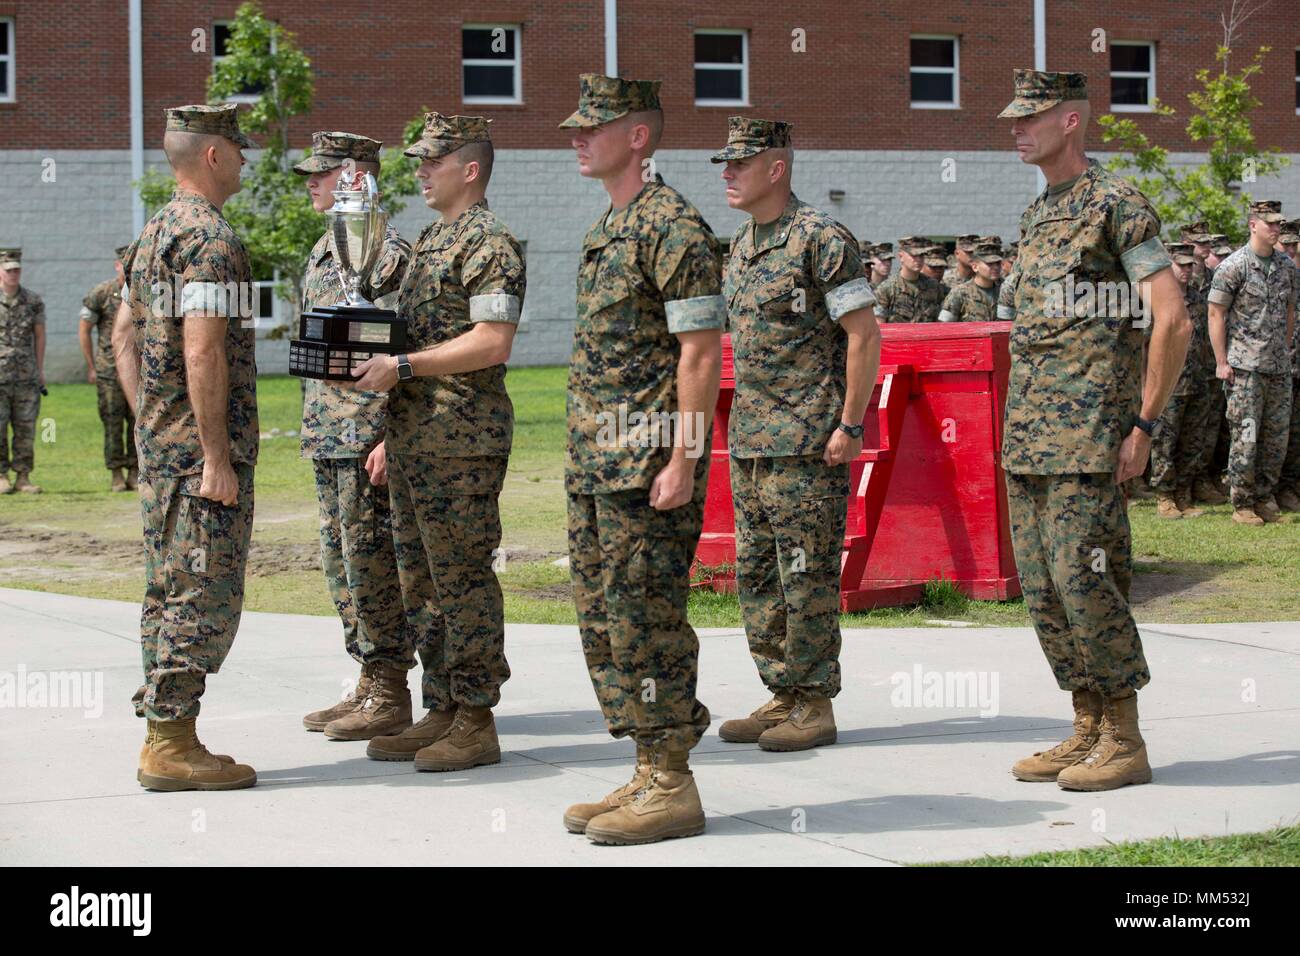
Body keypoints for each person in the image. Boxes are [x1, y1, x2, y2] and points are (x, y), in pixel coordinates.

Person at [997, 70, 1190, 791]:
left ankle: (1126, 737)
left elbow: (1169, 317)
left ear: (1071, 120)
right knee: (1045, 588)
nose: (1017, 128)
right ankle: (1086, 726)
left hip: (1089, 437)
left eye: (1031, 118)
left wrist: (1142, 424)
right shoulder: (1038, 211)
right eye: (1014, 119)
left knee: (1088, 583)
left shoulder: (1117, 206)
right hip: (1029, 436)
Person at [558, 75, 724, 845]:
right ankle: (646, 766)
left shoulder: (673, 228)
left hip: (648, 467)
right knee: (605, 622)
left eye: (594, 127)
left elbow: (699, 353)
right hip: (599, 465)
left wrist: (685, 460)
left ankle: (673, 783)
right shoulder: (609, 227)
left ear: (638, 137)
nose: (577, 138)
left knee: (647, 622)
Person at [350, 112, 525, 772]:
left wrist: (404, 369)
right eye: (417, 160)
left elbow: (492, 340)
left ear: (470, 168)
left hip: (463, 441)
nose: (419, 171)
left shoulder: (490, 242)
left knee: (463, 581)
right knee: (423, 584)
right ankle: (442, 708)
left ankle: (476, 717)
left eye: (432, 161)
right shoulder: (431, 238)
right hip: (419, 437)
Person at [712, 115, 880, 753]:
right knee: (756, 572)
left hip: (810, 440)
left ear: (775, 168)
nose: (728, 174)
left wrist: (850, 423)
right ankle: (782, 691)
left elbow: (863, 335)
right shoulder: (744, 243)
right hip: (754, 437)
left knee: (804, 573)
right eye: (724, 165)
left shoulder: (822, 239)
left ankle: (814, 701)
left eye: (739, 164)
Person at [112, 104, 260, 791]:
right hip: (197, 462)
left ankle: (166, 735)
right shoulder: (208, 239)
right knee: (200, 592)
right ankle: (171, 744)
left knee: (167, 590)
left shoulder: (152, 234)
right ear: (213, 156)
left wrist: (153, 423)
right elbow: (202, 350)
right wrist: (215, 455)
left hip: (164, 450)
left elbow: (124, 336)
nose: (246, 160)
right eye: (239, 148)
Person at [293, 131, 422, 742]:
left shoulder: (385, 253)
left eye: (321, 174)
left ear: (356, 177)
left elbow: (409, 348)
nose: (311, 184)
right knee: (343, 564)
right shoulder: (328, 248)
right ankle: (369, 678)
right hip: (329, 433)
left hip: (368, 434)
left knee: (374, 563)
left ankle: (392, 688)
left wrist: (392, 436)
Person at [1207, 200, 1296, 525]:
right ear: (1252, 224)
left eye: (1278, 223)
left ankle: (1265, 497)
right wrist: (1221, 360)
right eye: (1269, 223)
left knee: (1276, 436)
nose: (1275, 229)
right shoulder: (1234, 265)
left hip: (1277, 367)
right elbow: (1215, 313)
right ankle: (1243, 503)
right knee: (1246, 434)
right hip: (1244, 367)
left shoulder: (1287, 267)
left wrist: (1284, 349)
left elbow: (1289, 311)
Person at [1149, 243, 1213, 519]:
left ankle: (1184, 494)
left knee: (1193, 439)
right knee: (1165, 440)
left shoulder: (1197, 298)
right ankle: (1164, 495)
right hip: (1170, 383)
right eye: (1181, 265)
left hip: (1197, 378)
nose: (1187, 270)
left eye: (1190, 265)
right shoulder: (1156, 300)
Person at [80, 246, 137, 492]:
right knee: (112, 421)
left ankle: (136, 470)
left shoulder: (144, 292)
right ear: (117, 266)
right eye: (123, 264)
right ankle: (115, 473)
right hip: (109, 371)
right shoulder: (101, 293)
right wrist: (91, 366)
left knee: (138, 420)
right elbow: (84, 329)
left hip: (139, 369)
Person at [0, 248, 45, 495]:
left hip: (26, 376)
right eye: (8, 270)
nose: (13, 274)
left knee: (25, 427)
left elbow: (39, 337)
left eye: (16, 269)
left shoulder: (33, 301)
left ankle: (23, 476)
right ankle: (1, 475)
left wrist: (40, 370)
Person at [873, 236, 942, 322]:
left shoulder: (933, 286)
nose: (919, 259)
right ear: (901, 256)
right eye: (913, 255)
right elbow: (880, 326)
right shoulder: (886, 289)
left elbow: (940, 322)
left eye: (921, 255)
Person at [939, 241, 1003, 322]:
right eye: (990, 263)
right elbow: (944, 325)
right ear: (975, 267)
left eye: (998, 263)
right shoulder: (960, 292)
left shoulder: (1004, 290)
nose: (996, 267)